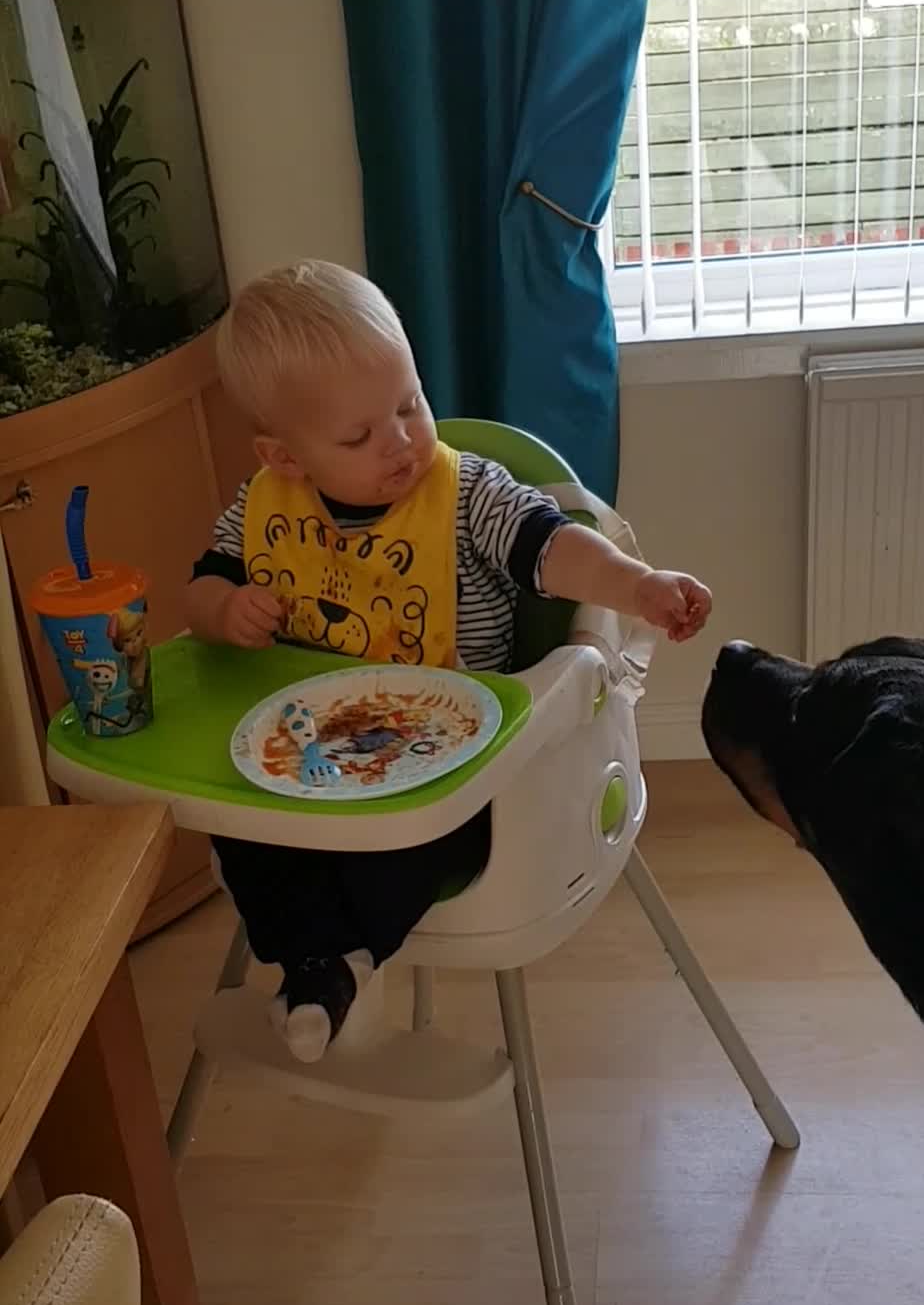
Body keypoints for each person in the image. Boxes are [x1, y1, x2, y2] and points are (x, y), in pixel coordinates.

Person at [188, 260, 712, 1062]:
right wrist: (225, 612)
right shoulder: (262, 509)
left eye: (408, 403)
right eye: (360, 435)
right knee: (243, 837)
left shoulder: (466, 495)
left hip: (450, 760)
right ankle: (322, 965)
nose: (400, 440)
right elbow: (200, 593)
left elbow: (553, 549)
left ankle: (333, 968)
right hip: (312, 759)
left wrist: (635, 584)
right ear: (284, 458)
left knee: (405, 842)